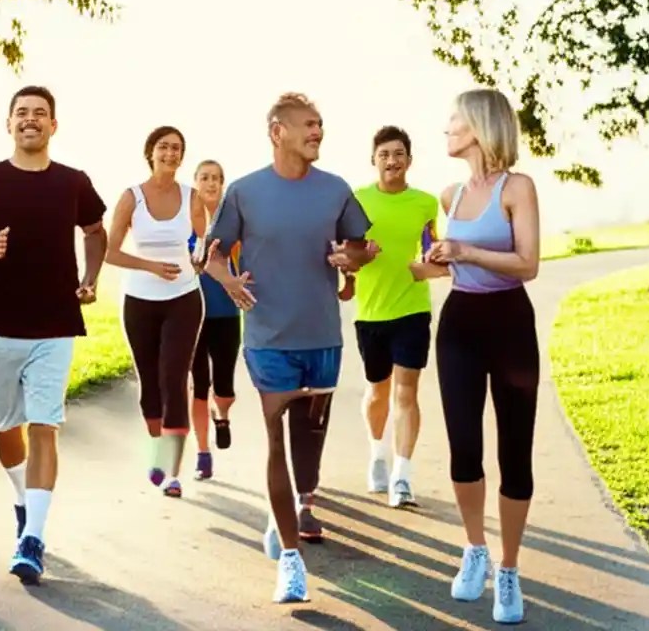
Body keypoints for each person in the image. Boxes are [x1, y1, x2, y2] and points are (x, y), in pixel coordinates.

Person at [203, 92, 377, 603]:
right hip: (268, 337)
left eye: (321, 125)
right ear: (278, 131)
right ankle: (292, 560)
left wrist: (354, 257)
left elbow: (361, 247)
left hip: (322, 334)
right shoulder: (244, 192)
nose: (317, 133)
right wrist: (230, 282)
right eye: (308, 125)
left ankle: (302, 501)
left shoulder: (336, 189)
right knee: (278, 437)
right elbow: (209, 258)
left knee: (310, 434)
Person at [0, 86, 108, 586]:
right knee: (6, 429)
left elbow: (96, 231)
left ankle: (33, 538)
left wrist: (91, 277)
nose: (31, 120)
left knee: (45, 425)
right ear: (8, 123)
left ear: (53, 125)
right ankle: (22, 497)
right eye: (22, 113)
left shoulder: (74, 182)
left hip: (55, 322)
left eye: (40, 114)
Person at [425, 88, 541, 625]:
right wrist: (429, 260)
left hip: (510, 323)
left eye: (454, 119)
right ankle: (475, 550)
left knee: (515, 452)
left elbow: (528, 263)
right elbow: (442, 268)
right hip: (460, 325)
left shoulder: (517, 187)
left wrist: (466, 250)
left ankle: (510, 570)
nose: (446, 127)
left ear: (478, 126)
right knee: (464, 448)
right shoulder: (449, 196)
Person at [338, 126, 439, 508]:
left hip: (413, 307)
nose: (392, 161)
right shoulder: (356, 200)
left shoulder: (426, 203)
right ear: (373, 160)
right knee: (378, 389)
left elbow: (431, 250)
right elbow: (346, 254)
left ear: (409, 160)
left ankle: (403, 476)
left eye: (399, 154)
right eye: (385, 155)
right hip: (371, 311)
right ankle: (378, 454)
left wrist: (433, 264)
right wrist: (352, 268)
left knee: (406, 391)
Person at [104, 126, 207, 497]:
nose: (170, 154)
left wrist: (200, 259)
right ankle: (158, 450)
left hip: (183, 298)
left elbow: (200, 247)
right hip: (139, 300)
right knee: (149, 381)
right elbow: (109, 251)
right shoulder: (131, 198)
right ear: (151, 153)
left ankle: (173, 472)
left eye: (177, 148)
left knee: (174, 377)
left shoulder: (193, 198)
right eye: (163, 147)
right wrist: (150, 266)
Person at [186, 160, 243, 481]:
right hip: (193, 314)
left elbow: (242, 262)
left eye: (216, 179)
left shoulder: (233, 224)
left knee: (224, 390)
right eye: (205, 178)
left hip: (226, 313)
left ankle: (221, 414)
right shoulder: (184, 223)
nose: (211, 183)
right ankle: (202, 454)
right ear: (195, 182)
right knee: (198, 385)